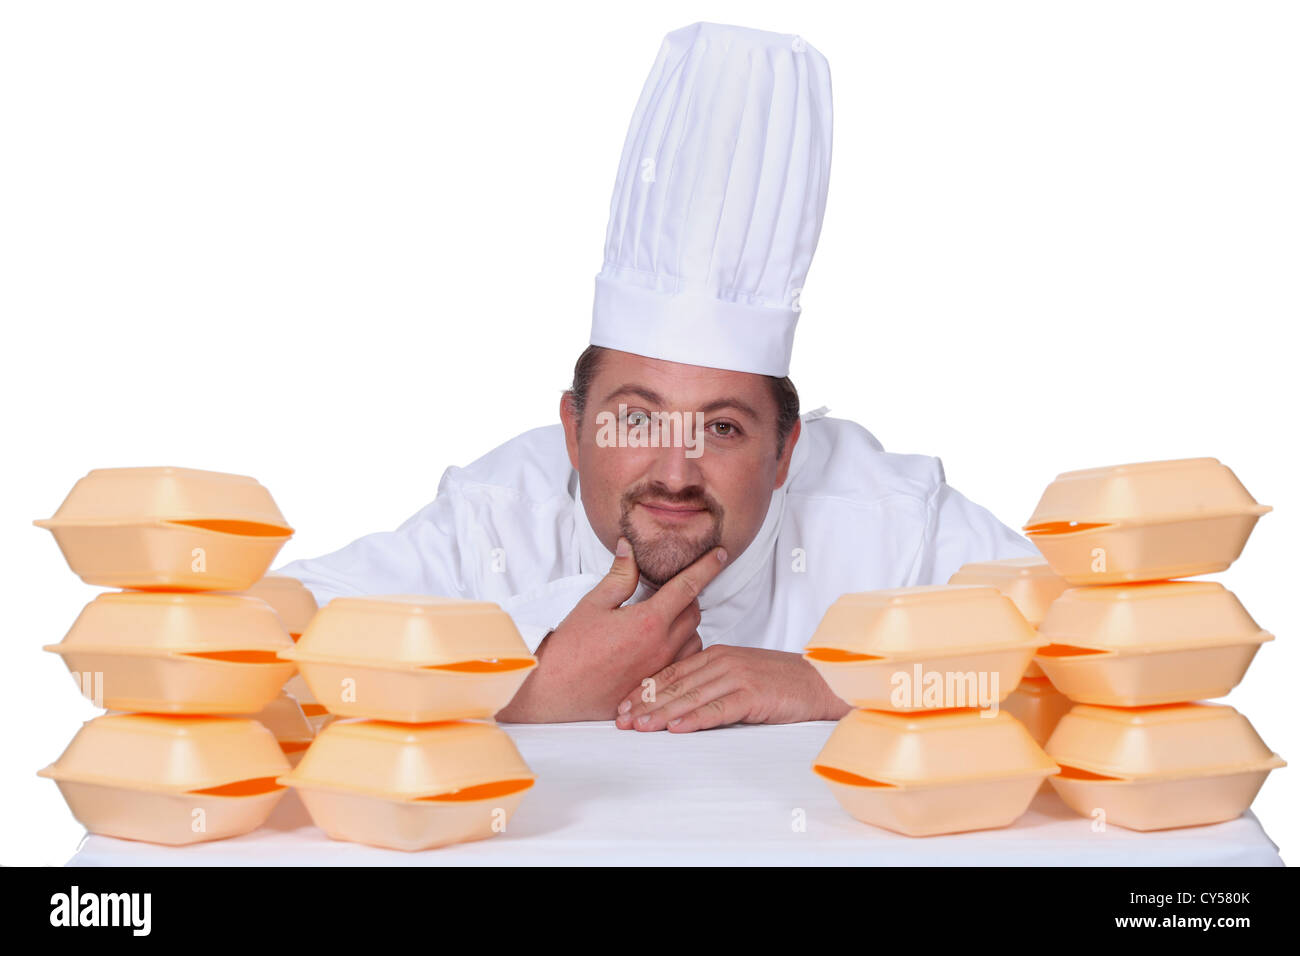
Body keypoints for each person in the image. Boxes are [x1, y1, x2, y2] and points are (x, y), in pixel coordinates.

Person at [273, 22, 1038, 731]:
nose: (676, 472)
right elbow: (259, 644)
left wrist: (833, 683)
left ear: (786, 454)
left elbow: (1084, 636)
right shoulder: (493, 525)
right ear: (573, 431)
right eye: (637, 419)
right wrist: (526, 691)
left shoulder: (890, 522)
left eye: (723, 427)